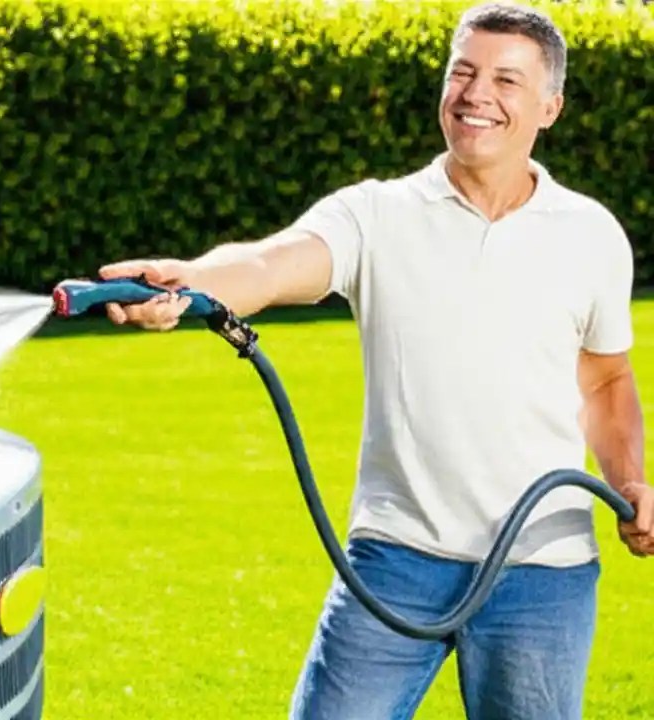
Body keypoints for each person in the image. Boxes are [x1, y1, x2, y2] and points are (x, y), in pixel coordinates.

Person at [98, 3, 654, 719]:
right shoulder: (377, 214)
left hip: (542, 572)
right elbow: (270, 264)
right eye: (463, 72)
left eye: (506, 81)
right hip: (396, 560)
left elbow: (605, 379)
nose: (476, 94)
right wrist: (194, 281)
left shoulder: (591, 235)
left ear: (551, 106)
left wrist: (633, 480)